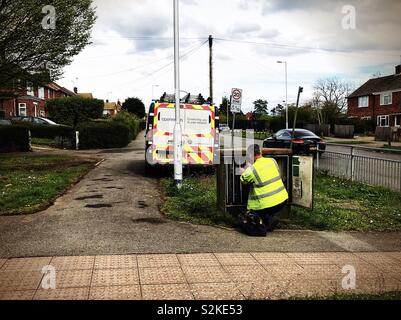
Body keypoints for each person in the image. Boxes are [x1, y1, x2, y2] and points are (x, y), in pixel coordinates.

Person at [240, 144, 289, 231]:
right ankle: (268, 220)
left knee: (253, 212)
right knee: (266, 209)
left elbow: (243, 180)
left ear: (251, 156)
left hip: (268, 205)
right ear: (261, 152)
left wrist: (244, 169)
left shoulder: (252, 169)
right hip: (283, 200)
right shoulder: (272, 161)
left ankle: (269, 221)